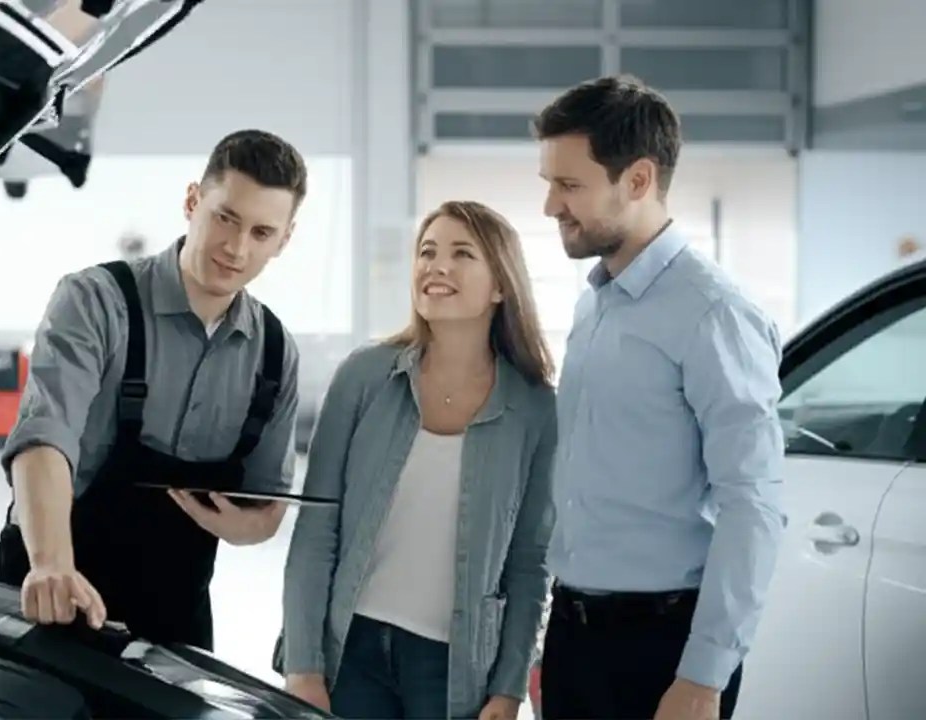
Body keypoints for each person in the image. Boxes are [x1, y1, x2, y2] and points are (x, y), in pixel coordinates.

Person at [533, 75, 786, 720]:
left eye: (569, 185)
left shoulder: (714, 313)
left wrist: (703, 676)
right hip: (574, 635)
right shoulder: (595, 302)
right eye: (549, 183)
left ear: (638, 179)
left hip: (662, 648)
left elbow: (753, 505)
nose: (551, 205)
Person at [0, 129, 306, 652]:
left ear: (284, 240)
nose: (236, 248)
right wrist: (51, 563)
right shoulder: (95, 301)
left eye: (261, 232)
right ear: (193, 201)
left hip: (176, 614)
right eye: (225, 218)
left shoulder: (275, 354)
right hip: (55, 586)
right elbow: (45, 437)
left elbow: (267, 506)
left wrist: (237, 526)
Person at [281, 200, 559, 720]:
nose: (437, 266)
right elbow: (316, 528)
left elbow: (530, 561)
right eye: (427, 252)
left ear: (501, 286)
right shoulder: (364, 376)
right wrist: (303, 666)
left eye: (462, 254)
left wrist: (509, 688)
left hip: (454, 668)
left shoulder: (537, 409)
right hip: (350, 653)